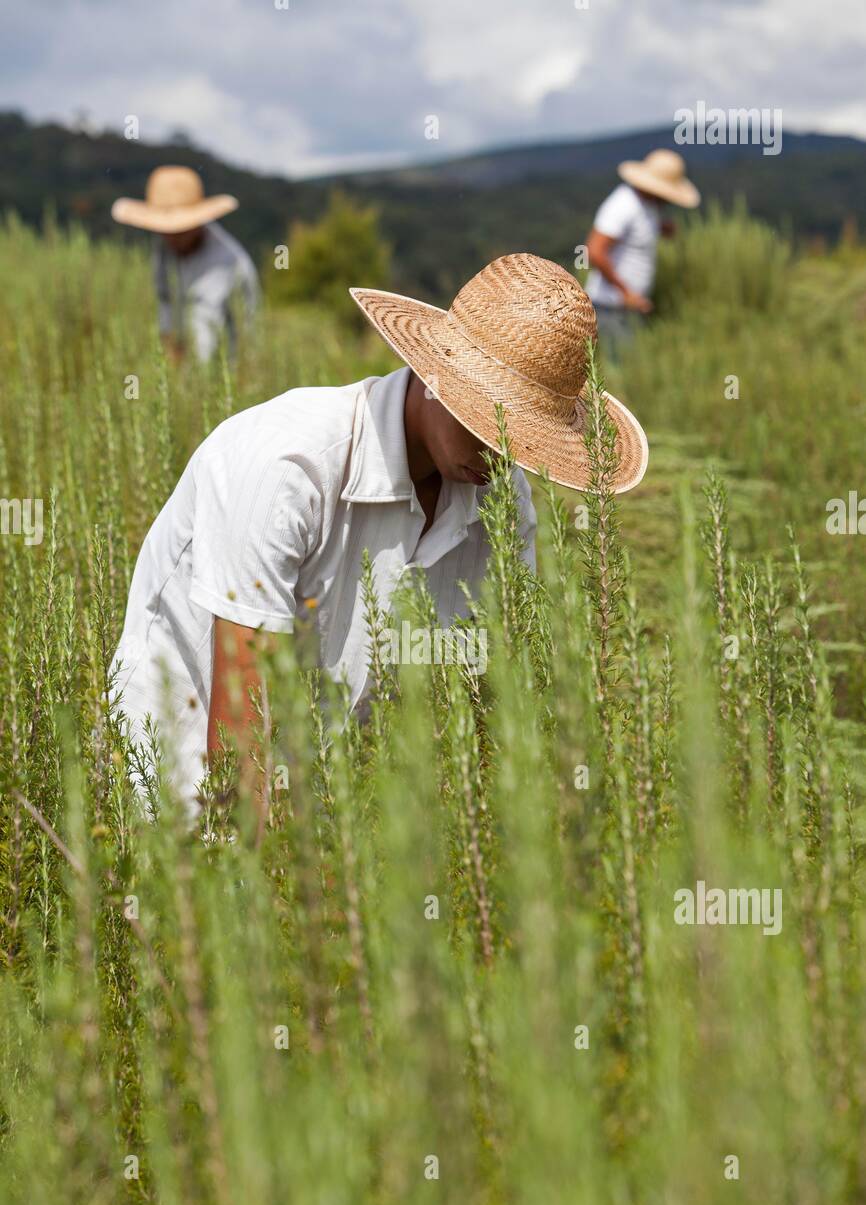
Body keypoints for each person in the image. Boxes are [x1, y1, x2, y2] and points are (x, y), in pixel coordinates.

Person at [109, 253, 648, 809]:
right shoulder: (289, 465)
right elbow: (240, 712)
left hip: (329, 788)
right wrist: (252, 876)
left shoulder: (503, 500)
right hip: (180, 759)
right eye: (484, 423)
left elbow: (494, 684)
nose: (499, 455)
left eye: (522, 442)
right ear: (435, 374)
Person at [111, 165, 259, 362]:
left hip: (228, 361)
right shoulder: (163, 247)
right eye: (166, 230)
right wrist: (169, 350)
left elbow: (207, 328)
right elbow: (165, 300)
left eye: (181, 230)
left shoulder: (225, 260)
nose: (172, 237)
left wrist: (189, 377)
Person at [585, 148, 700, 356]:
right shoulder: (623, 205)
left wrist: (661, 227)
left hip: (626, 311)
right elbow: (595, 251)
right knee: (618, 374)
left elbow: (635, 233)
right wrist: (625, 292)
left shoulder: (648, 206)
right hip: (610, 309)